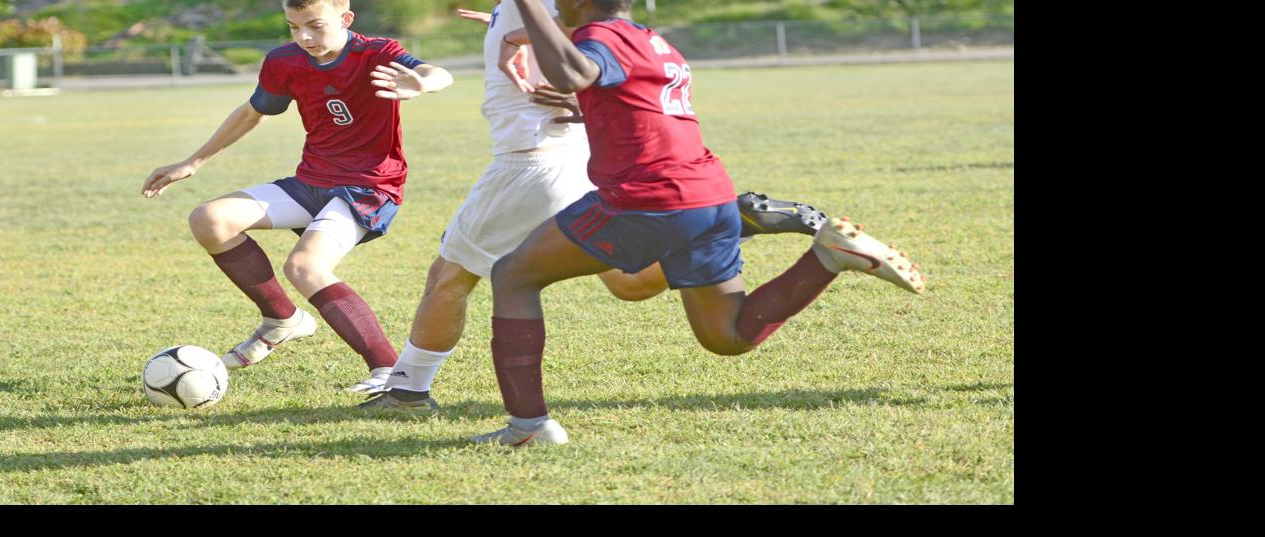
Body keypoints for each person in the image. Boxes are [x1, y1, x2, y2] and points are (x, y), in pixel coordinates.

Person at [473, 0, 924, 446]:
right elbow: (635, 100)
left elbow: (573, 72)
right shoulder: (654, 41)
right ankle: (827, 256)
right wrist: (589, 108)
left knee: (513, 275)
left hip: (647, 198)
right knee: (727, 336)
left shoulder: (600, 35)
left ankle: (529, 427)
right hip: (709, 192)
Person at [358, 1, 828, 415]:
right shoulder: (551, 11)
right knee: (631, 284)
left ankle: (408, 390)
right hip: (582, 160)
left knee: (451, 276)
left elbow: (580, 56)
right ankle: (732, 224)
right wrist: (511, 26)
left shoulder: (561, 9)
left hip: (529, 164)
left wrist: (521, 26)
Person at [141, 0, 452, 393]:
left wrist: (424, 82)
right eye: (293, 27)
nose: (304, 37)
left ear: (346, 19)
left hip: (368, 187)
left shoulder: (378, 53)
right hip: (311, 182)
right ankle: (283, 319)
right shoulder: (284, 62)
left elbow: (436, 72)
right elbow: (252, 112)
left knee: (305, 266)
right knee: (210, 220)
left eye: (315, 25)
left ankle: (389, 370)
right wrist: (193, 162)